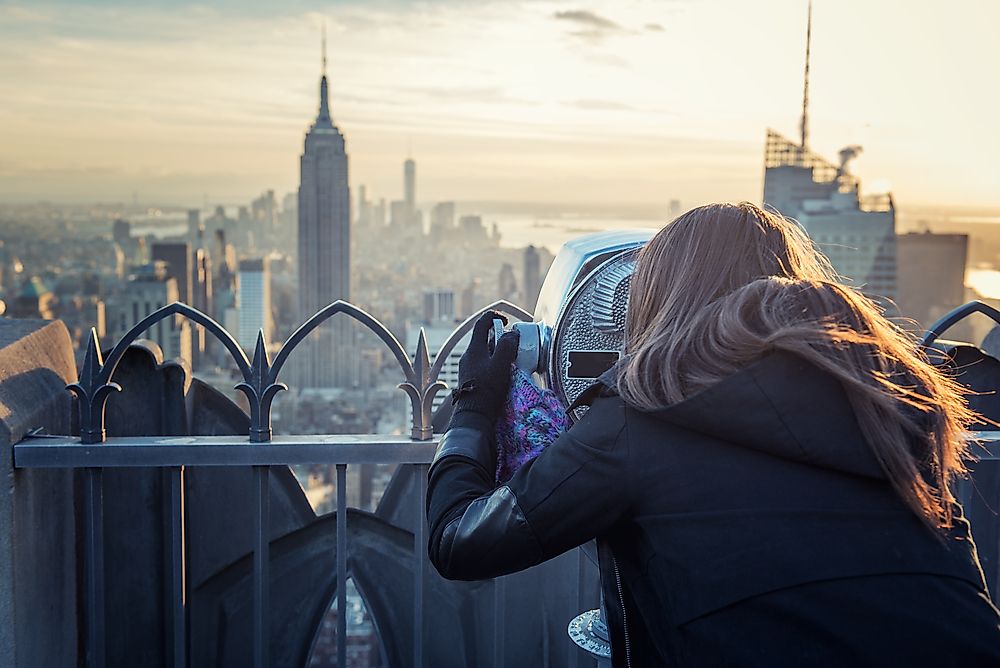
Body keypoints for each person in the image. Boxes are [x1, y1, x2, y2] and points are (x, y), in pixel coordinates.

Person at [425, 202, 1000, 666]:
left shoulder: (637, 424)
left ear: (660, 303)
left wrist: (474, 406)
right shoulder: (892, 407)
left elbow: (460, 542)